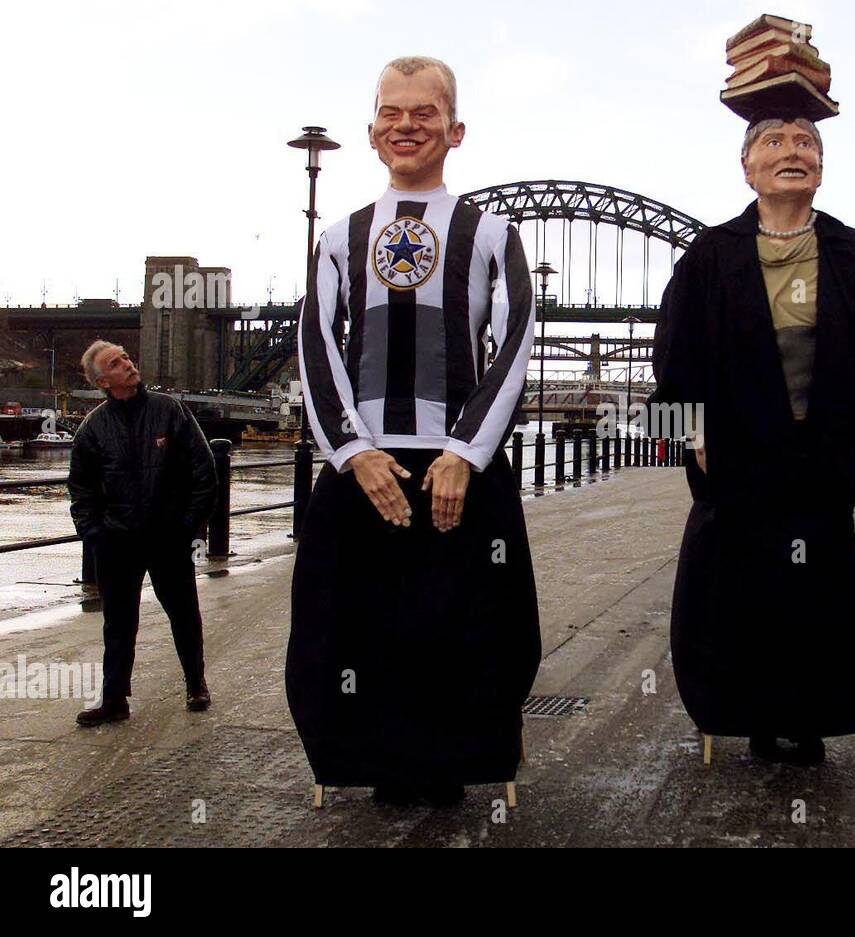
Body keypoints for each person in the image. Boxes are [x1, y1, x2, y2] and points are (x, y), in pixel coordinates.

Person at [286, 56, 540, 806]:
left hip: (458, 462)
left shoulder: (493, 235)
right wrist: (352, 449)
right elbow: (314, 346)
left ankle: (452, 761)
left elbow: (519, 335)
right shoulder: (337, 238)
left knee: (468, 622)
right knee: (350, 623)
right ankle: (373, 760)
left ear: (454, 130)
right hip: (363, 464)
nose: (407, 125)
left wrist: (465, 451)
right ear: (371, 132)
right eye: (392, 113)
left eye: (425, 113)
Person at [652, 115, 855, 765]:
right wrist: (689, 436)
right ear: (747, 168)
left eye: (806, 143)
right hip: (739, 456)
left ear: (821, 166)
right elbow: (671, 357)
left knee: (818, 590)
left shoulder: (850, 250)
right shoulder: (710, 254)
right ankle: (746, 715)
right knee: (741, 591)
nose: (792, 152)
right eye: (774, 142)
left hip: (820, 459)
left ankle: (811, 719)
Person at [68, 341, 216, 726]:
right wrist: (95, 534)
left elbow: (204, 471)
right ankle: (114, 699)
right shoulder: (93, 428)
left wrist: (187, 526)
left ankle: (196, 683)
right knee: (117, 623)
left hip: (168, 537)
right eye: (116, 364)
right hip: (118, 542)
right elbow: (81, 491)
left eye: (126, 358)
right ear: (103, 381)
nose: (128, 365)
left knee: (184, 614)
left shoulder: (169, 411)